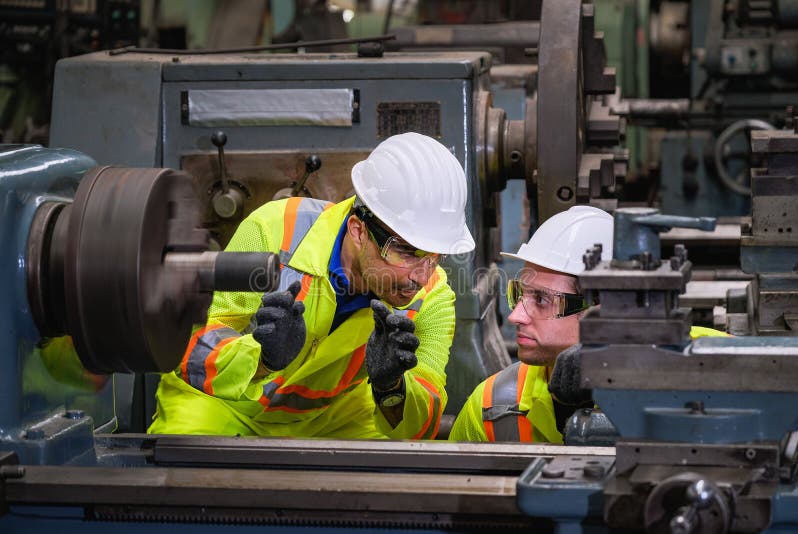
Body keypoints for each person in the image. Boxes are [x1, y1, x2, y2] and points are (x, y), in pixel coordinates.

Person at [148, 132, 475, 439]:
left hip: (333, 417)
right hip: (223, 404)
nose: (421, 276)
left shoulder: (433, 298)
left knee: (399, 479)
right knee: (178, 468)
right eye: (405, 251)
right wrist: (261, 357)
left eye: (436, 257)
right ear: (359, 230)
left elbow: (420, 428)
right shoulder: (276, 231)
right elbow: (190, 350)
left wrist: (391, 387)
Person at [449, 206, 725, 443]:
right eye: (520, 294)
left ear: (602, 309)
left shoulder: (706, 360)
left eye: (542, 300)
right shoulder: (491, 407)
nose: (515, 317)